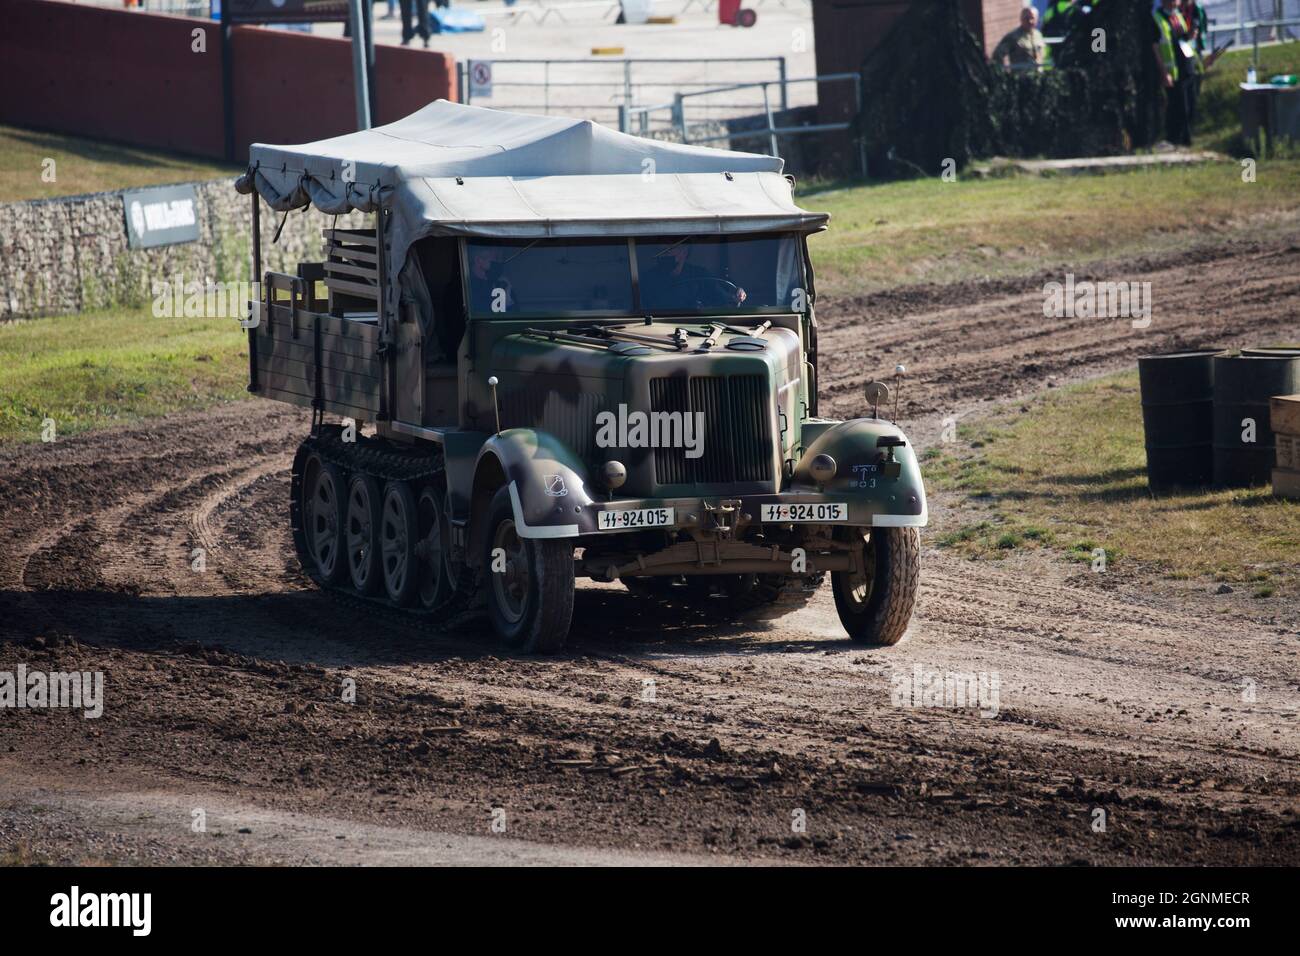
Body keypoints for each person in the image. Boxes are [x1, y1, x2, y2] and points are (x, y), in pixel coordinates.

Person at [1149, 0, 1193, 146]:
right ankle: (1174, 138)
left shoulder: (1177, 15)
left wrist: (1186, 32)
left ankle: (1185, 139)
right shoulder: (1157, 17)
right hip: (1171, 70)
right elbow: (1155, 47)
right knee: (1177, 105)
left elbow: (1185, 39)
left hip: (1185, 66)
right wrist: (1164, 73)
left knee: (1188, 105)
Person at [991, 6, 1045, 71]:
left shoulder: (1038, 35)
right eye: (1027, 18)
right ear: (1021, 19)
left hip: (1038, 76)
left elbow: (1041, 54)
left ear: (1037, 19)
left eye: (1032, 18)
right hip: (1021, 78)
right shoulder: (1013, 36)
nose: (1030, 21)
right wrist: (1004, 73)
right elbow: (997, 55)